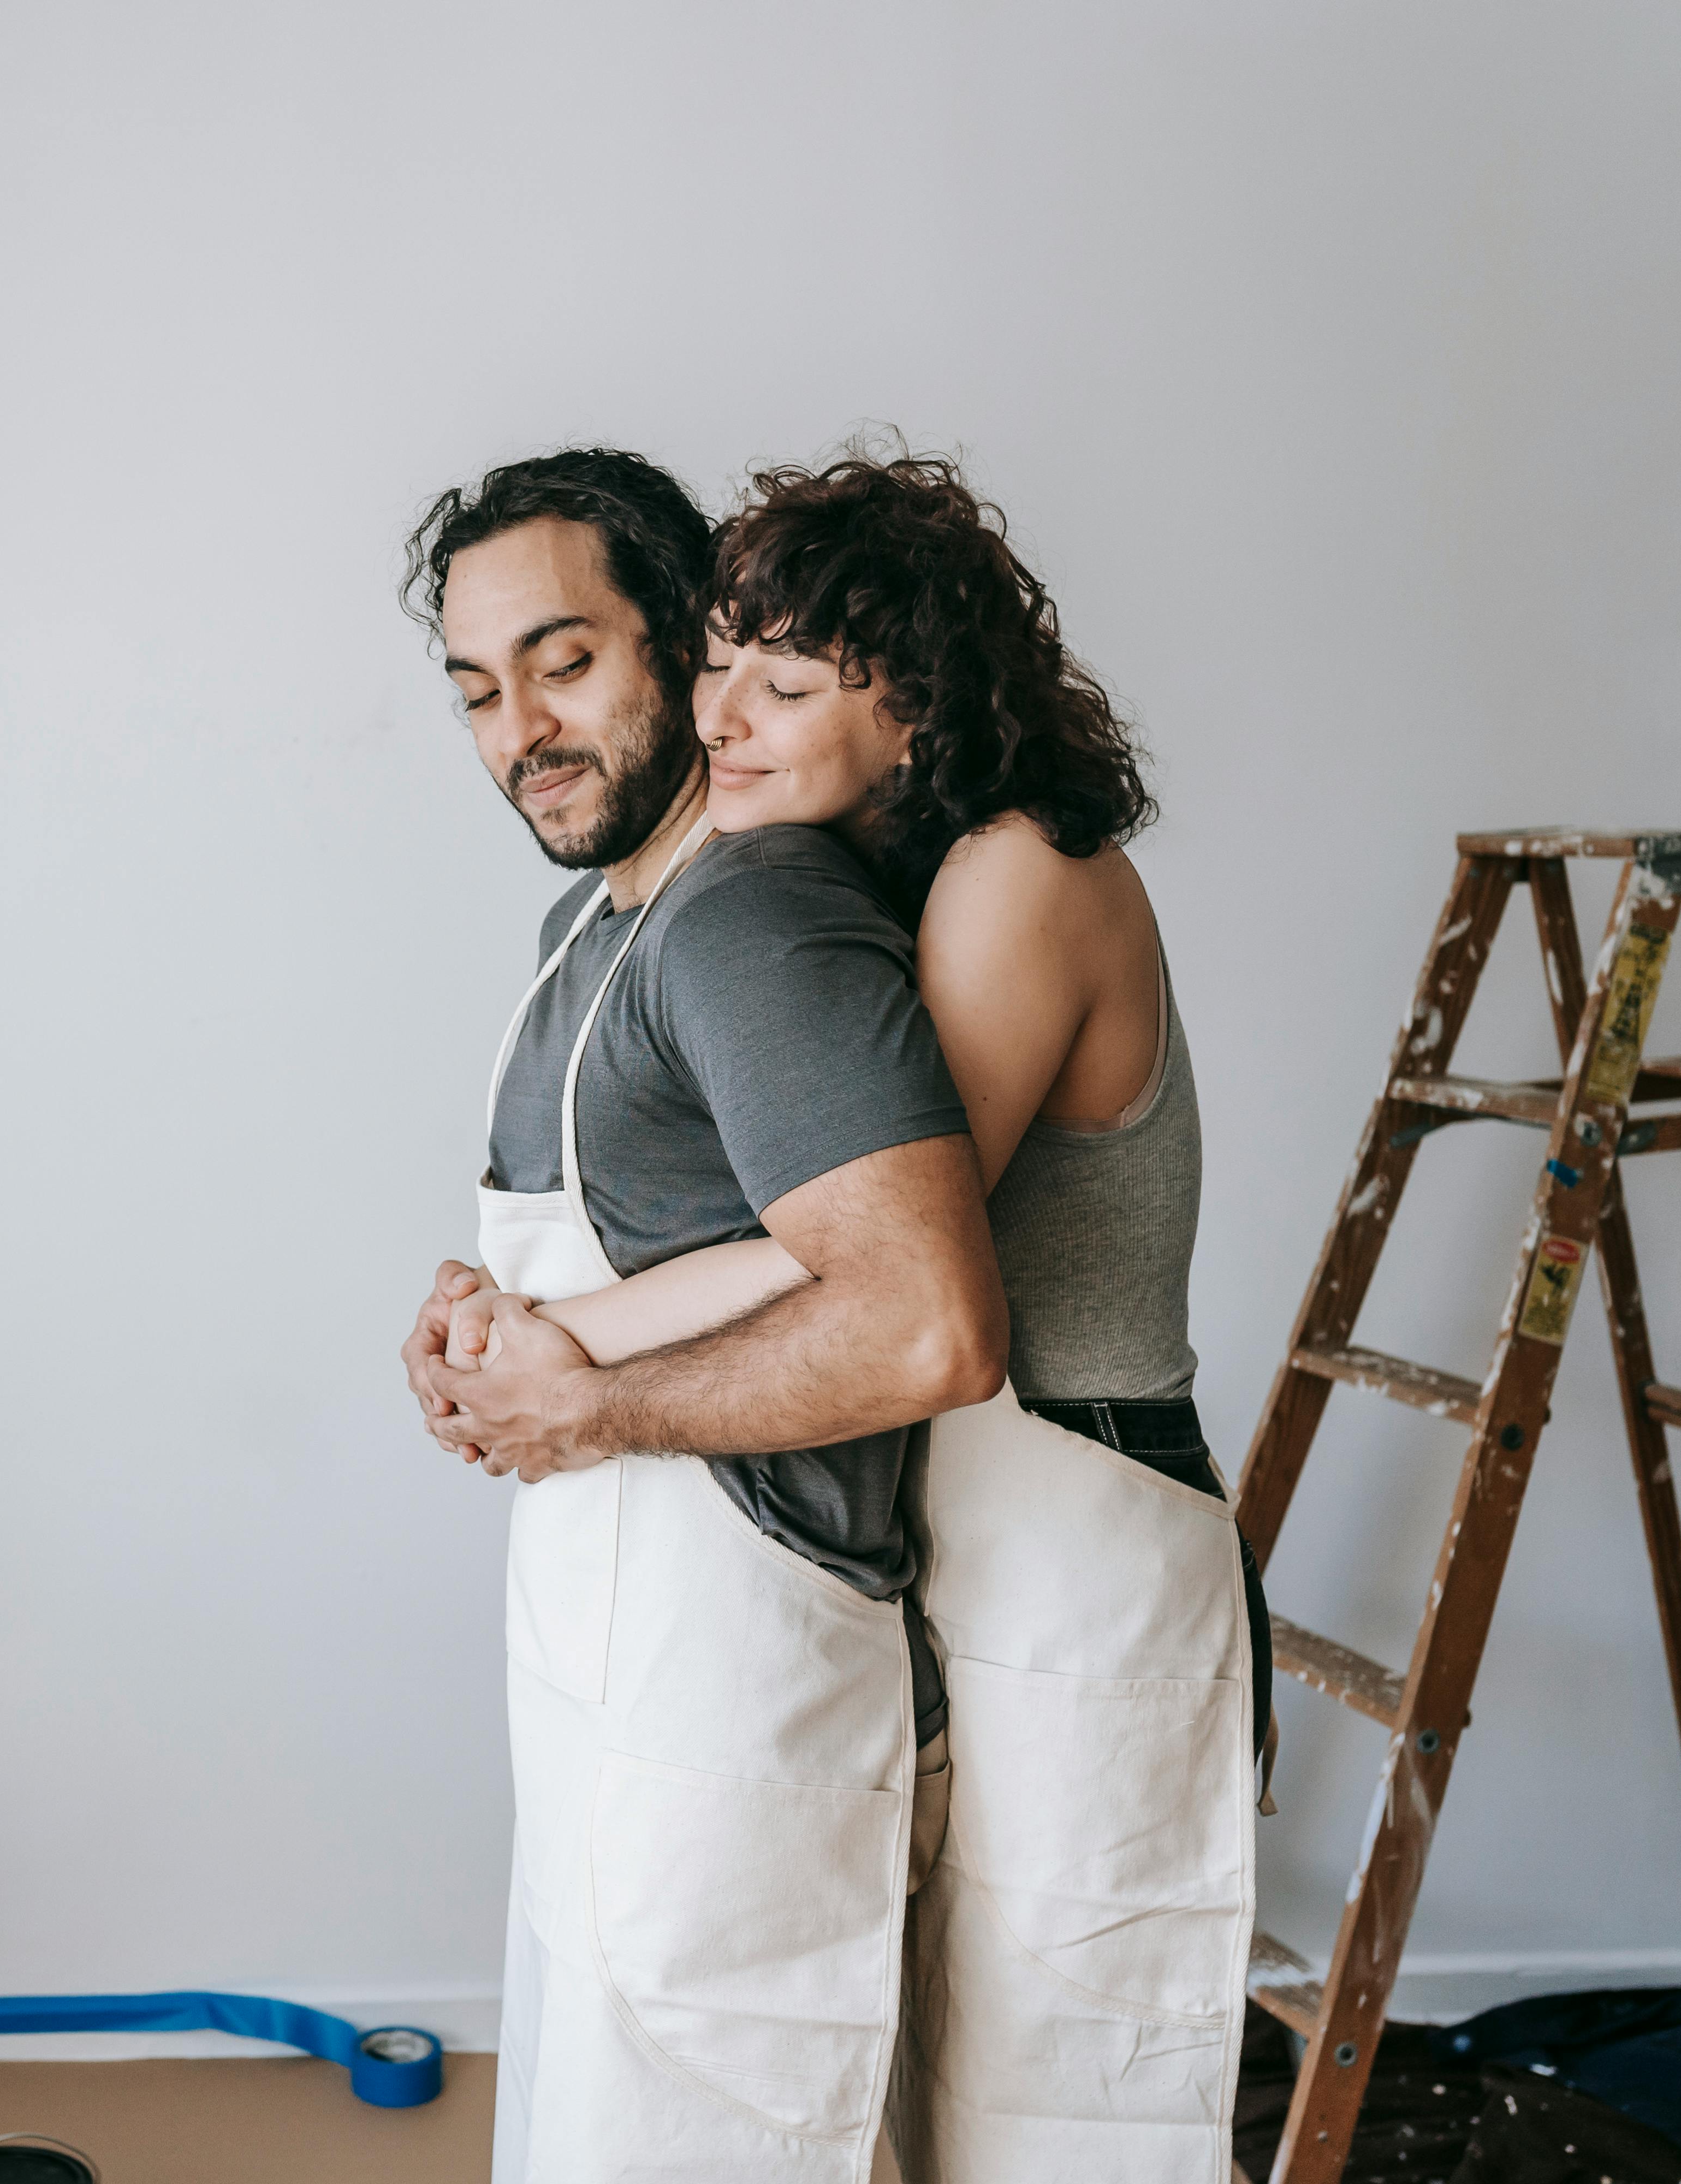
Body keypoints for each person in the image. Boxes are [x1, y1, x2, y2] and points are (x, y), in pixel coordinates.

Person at [426, 449, 1264, 2183]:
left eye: (782, 683)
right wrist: (522, 1317)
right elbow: (811, 1253)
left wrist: (577, 1353)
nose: (728, 718)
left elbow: (890, 1271)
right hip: (987, 1540)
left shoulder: (1016, 877)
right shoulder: (876, 880)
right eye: (722, 665)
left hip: (1091, 1529)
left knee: (1066, 2103)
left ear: (914, 707)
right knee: (942, 2090)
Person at [396, 448, 1005, 2184]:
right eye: (475, 690)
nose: (519, 726)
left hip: (736, 1688)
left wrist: (587, 1408)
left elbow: (925, 1322)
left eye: (564, 660)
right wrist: (470, 1335)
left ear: (685, 639)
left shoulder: (752, 925)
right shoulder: (588, 924)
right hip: (607, 1671)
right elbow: (633, 1261)